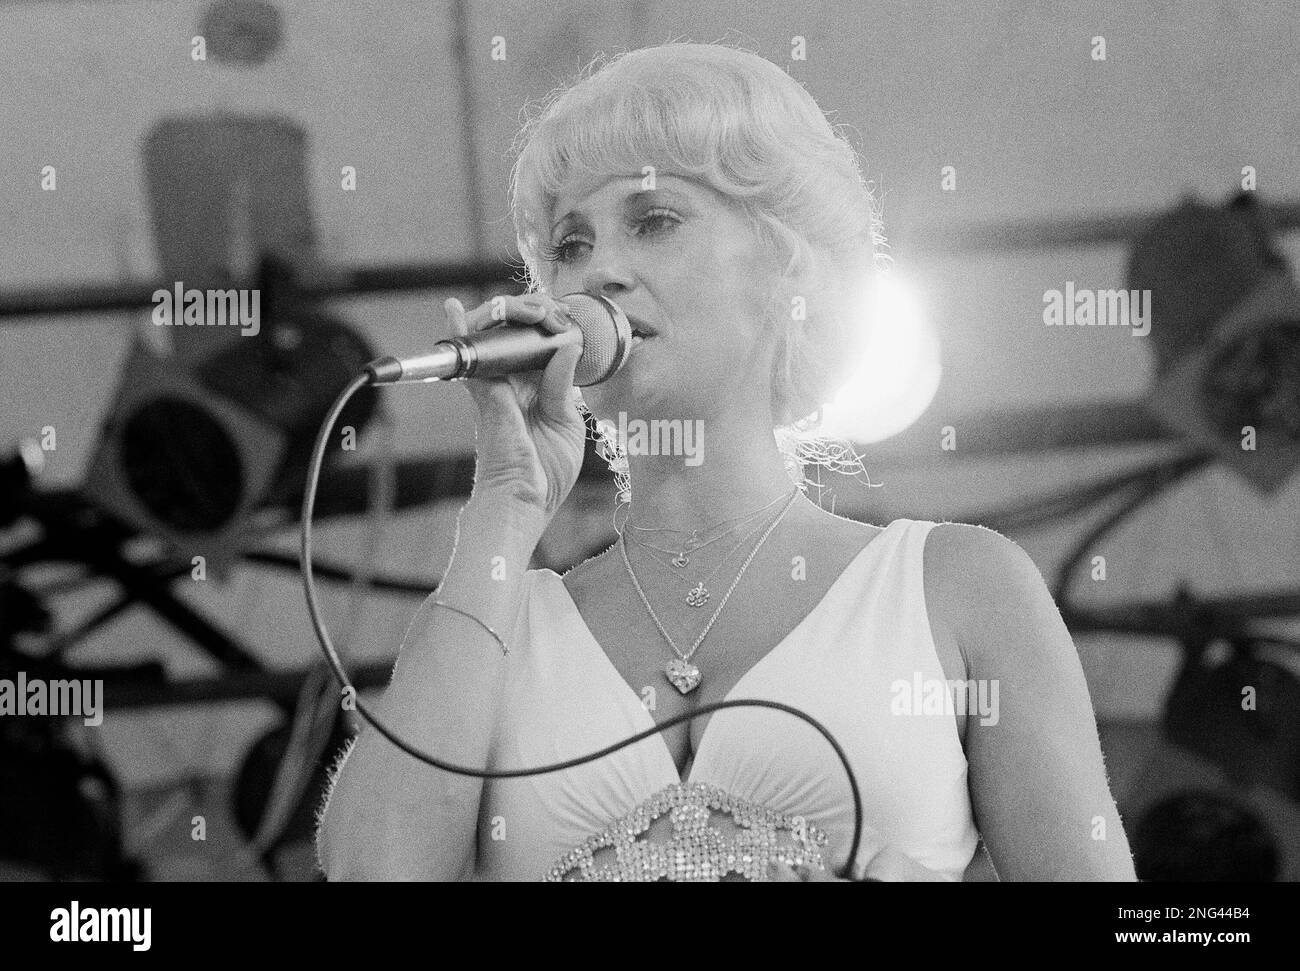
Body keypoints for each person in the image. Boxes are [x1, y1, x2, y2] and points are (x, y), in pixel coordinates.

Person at [315, 41, 1136, 881]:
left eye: (653, 220)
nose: (599, 270)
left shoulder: (958, 586)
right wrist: (503, 503)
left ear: (787, 268)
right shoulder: (503, 624)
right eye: (569, 245)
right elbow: (371, 871)